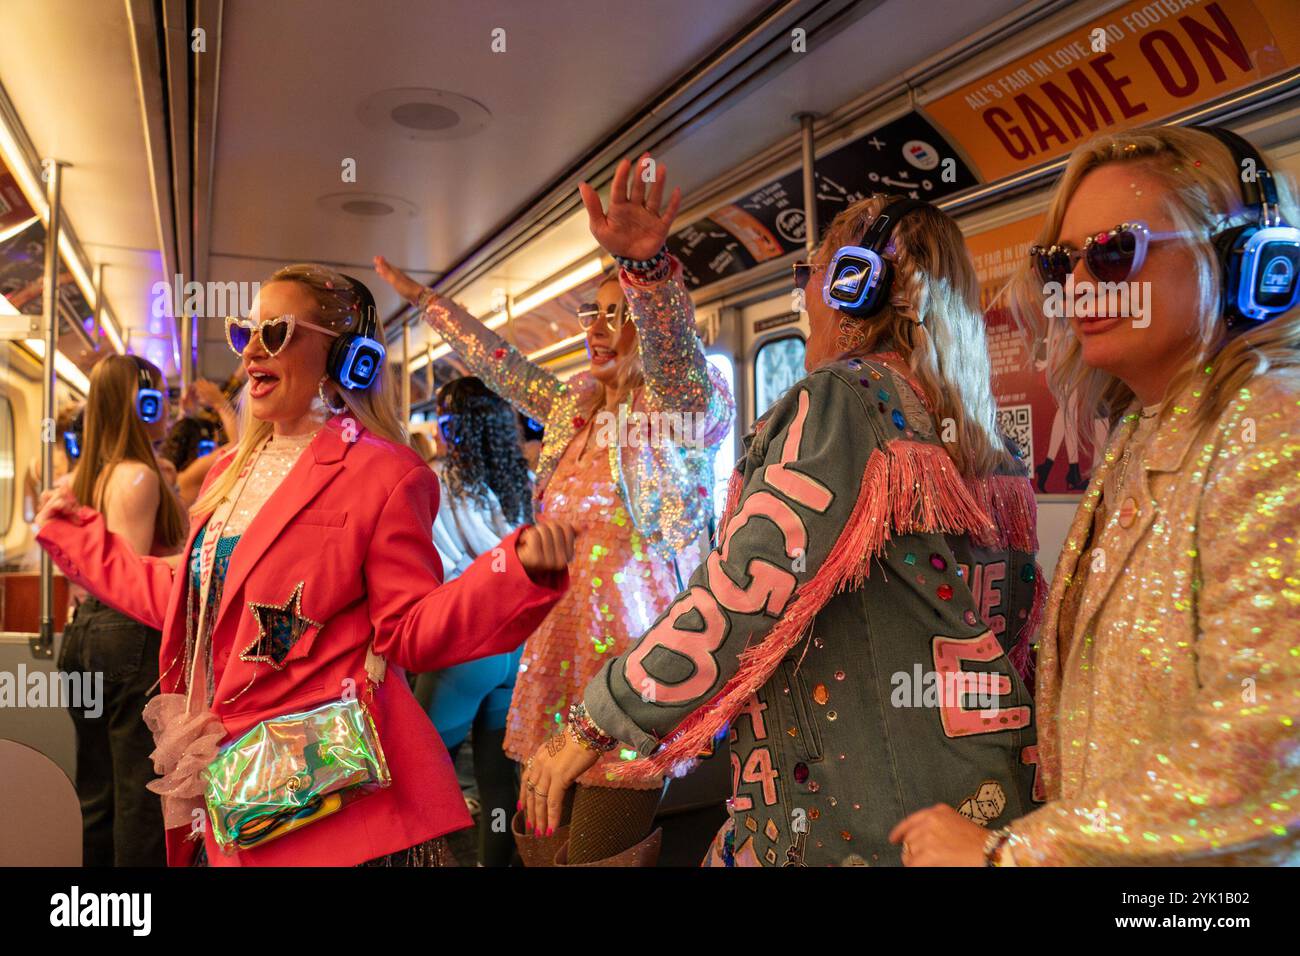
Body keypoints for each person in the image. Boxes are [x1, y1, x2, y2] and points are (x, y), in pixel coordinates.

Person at [521, 193, 1043, 867]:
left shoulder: (840, 402)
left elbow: (746, 588)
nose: (804, 300)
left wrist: (597, 720)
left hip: (857, 805)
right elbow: (1016, 625)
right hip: (974, 805)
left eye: (811, 276)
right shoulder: (986, 439)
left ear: (851, 285)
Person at [36, 264, 575, 867]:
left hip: (332, 799)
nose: (252, 353)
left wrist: (514, 572)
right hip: (242, 787)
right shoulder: (228, 475)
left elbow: (411, 630)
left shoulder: (386, 473)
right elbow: (185, 599)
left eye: (278, 332)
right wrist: (73, 535)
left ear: (349, 358)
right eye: (247, 333)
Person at [892, 125, 1300, 865]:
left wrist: (1010, 855)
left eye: (1116, 250)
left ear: (1248, 258)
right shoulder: (1142, 433)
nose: (1080, 284)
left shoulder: (1277, 429)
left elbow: (1272, 754)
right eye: (1060, 261)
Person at [375, 153, 734, 866]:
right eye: (592, 314)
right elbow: (502, 366)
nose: (599, 328)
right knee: (543, 856)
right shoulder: (574, 406)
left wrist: (647, 272)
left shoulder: (683, 411)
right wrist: (433, 309)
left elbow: (672, 353)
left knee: (599, 860)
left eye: (617, 313)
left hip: (635, 674)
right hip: (554, 663)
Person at [54, 354, 187, 866]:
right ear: (137, 405)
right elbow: (127, 579)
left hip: (83, 634)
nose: (166, 407)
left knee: (97, 790)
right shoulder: (137, 477)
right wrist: (197, 558)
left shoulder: (92, 476)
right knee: (138, 795)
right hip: (127, 635)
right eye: (155, 397)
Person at [413, 376, 534, 866]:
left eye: (443, 421)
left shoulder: (434, 481)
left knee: (416, 768)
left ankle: (426, 857)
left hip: (466, 642)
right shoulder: (519, 482)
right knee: (498, 778)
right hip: (517, 646)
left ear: (454, 427)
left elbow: (430, 566)